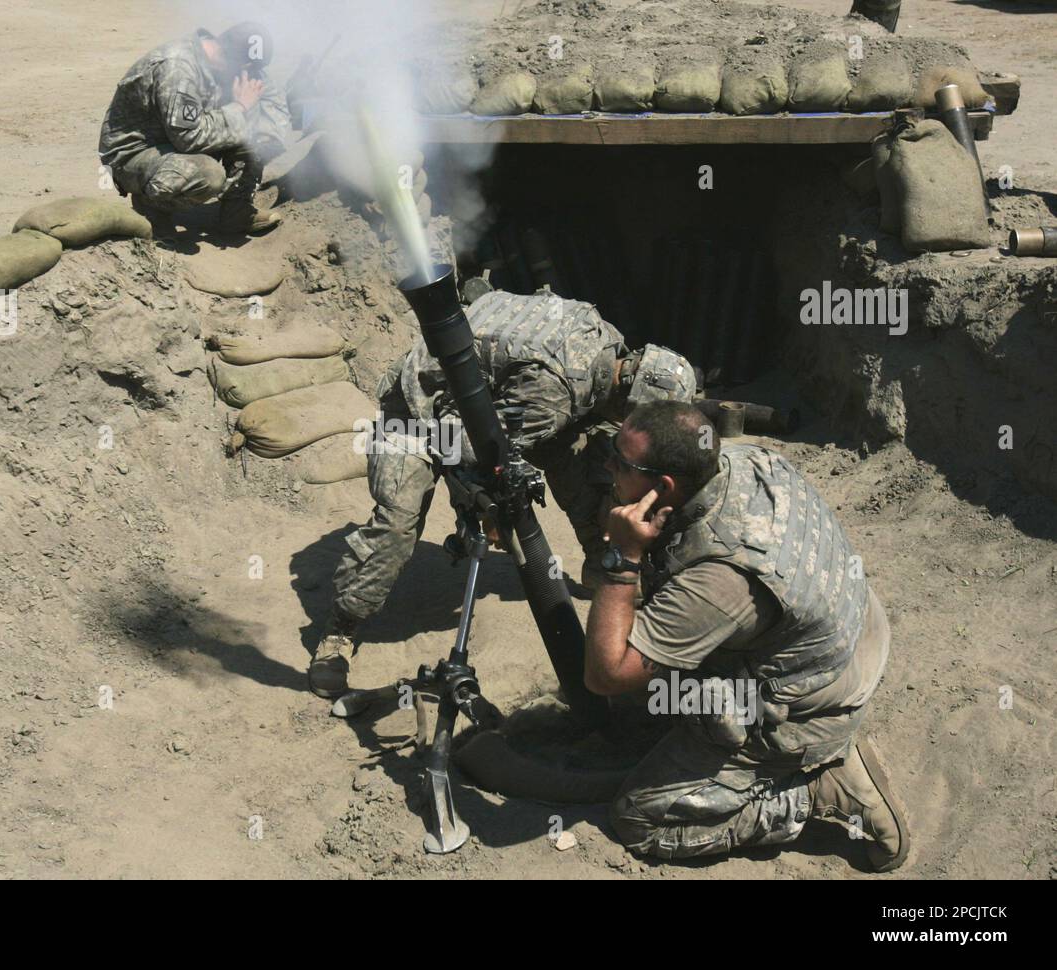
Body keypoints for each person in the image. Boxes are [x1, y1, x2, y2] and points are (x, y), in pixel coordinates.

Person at [309, 287, 697, 698]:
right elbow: (470, 446)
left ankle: (605, 565)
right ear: (629, 397)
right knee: (396, 523)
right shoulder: (552, 394)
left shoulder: (609, 348)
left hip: (495, 395)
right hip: (420, 406)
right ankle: (342, 626)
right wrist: (486, 506)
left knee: (597, 458)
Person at [584, 401, 909, 871]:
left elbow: (606, 674)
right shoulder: (742, 458)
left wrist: (624, 555)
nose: (608, 465)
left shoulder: (721, 578)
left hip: (814, 701)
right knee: (658, 690)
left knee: (639, 819)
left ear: (664, 487)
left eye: (622, 462)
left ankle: (817, 790)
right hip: (853, 630)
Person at [98, 22, 290, 237]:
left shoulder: (227, 66)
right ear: (242, 63)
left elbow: (270, 103)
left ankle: (236, 213)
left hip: (174, 141)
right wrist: (240, 108)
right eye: (252, 70)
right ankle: (152, 208)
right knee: (208, 174)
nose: (254, 76)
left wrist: (266, 138)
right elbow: (188, 138)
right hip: (133, 154)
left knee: (254, 140)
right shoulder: (178, 67)